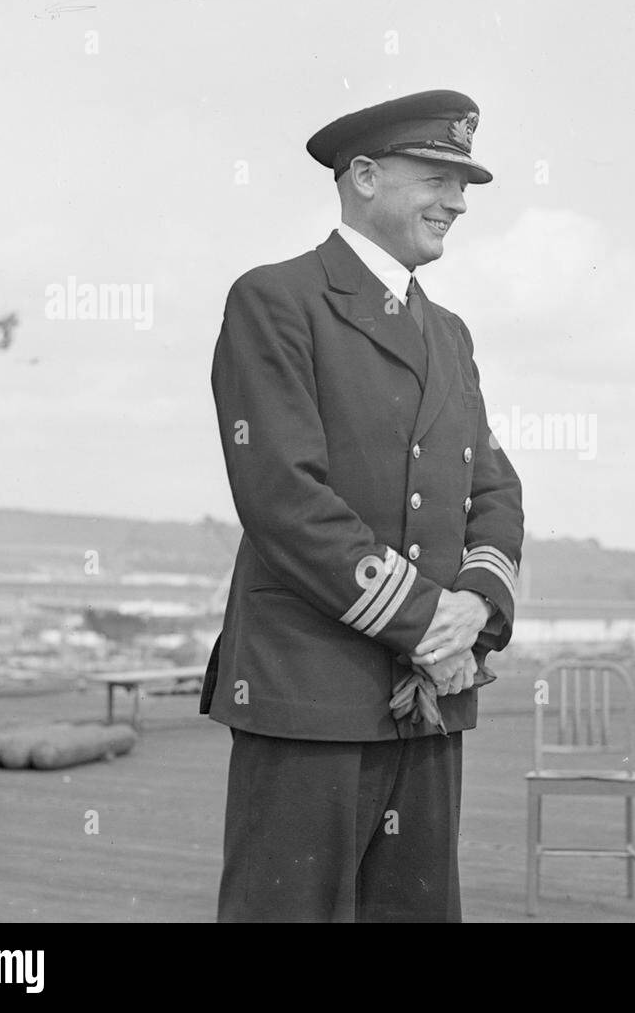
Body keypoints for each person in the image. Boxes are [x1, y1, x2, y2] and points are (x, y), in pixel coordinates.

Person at [200, 89, 524, 922]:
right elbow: (284, 497)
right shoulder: (276, 300)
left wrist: (479, 607)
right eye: (437, 179)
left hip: (431, 698)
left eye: (465, 185)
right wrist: (428, 620)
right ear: (366, 177)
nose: (457, 202)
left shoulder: (448, 330)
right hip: (311, 693)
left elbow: (493, 485)